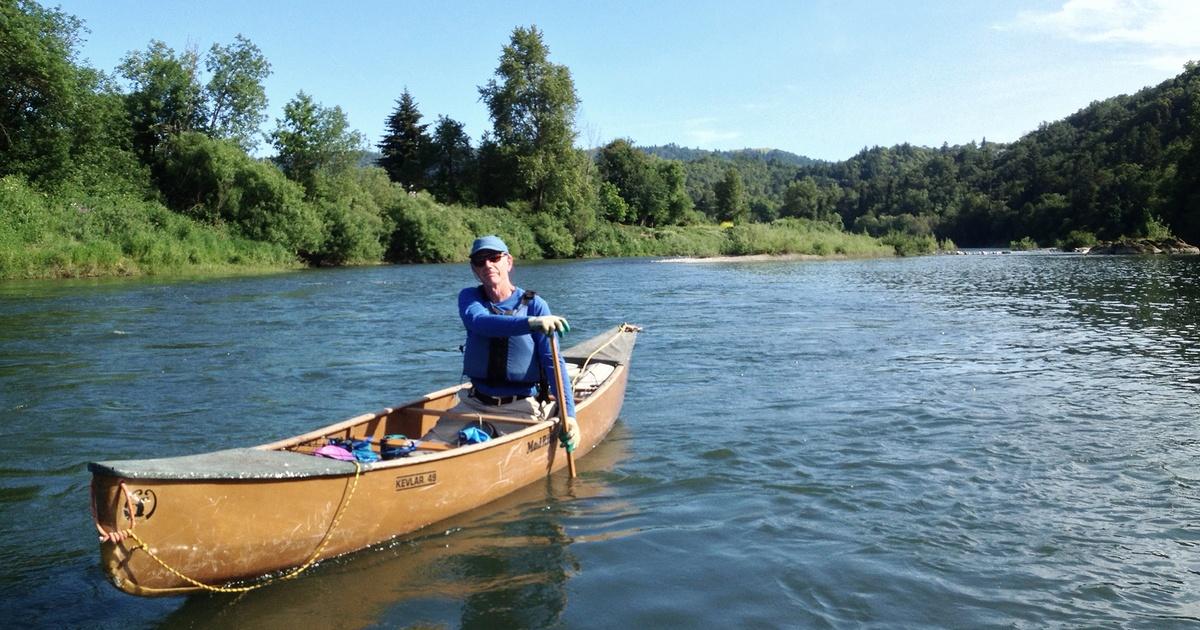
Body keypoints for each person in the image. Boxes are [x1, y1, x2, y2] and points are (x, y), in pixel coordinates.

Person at [422, 235, 580, 450]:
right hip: (473, 403)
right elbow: (479, 322)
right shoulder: (470, 298)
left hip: (520, 406)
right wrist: (532, 323)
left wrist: (568, 415)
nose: (488, 264)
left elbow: (552, 361)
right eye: (480, 261)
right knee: (423, 450)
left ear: (508, 261)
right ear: (474, 269)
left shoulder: (536, 305)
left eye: (494, 258)